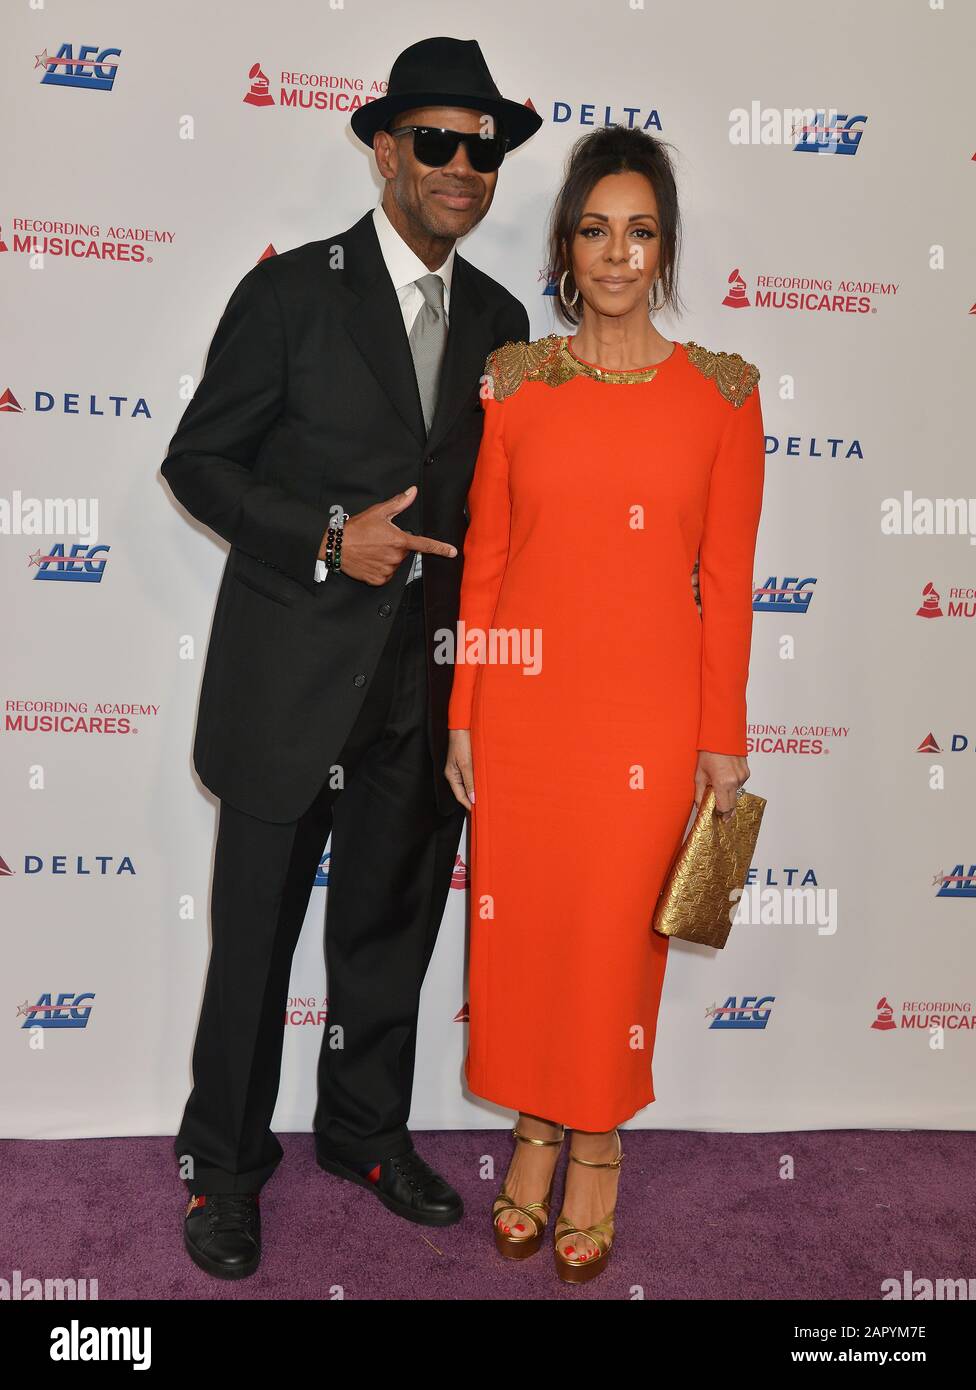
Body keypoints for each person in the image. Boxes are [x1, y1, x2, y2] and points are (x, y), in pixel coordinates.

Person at [161, 36, 541, 1279]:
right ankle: (222, 1166)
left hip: (425, 701)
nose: (460, 166)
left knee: (387, 940)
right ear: (384, 150)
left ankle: (367, 1133)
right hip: (289, 692)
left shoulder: (499, 320)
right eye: (435, 140)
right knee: (255, 948)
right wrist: (329, 536)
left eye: (479, 148)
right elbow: (200, 462)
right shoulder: (290, 294)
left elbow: (503, 520)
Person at [444, 124, 766, 1283]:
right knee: (526, 932)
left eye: (639, 232)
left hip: (649, 721)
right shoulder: (518, 383)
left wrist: (720, 743)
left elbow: (727, 588)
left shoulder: (723, 397)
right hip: (527, 714)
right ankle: (531, 1126)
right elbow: (484, 561)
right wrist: (465, 712)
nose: (616, 254)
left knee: (613, 942)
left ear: (664, 248)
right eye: (595, 230)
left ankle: (594, 1142)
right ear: (566, 248)